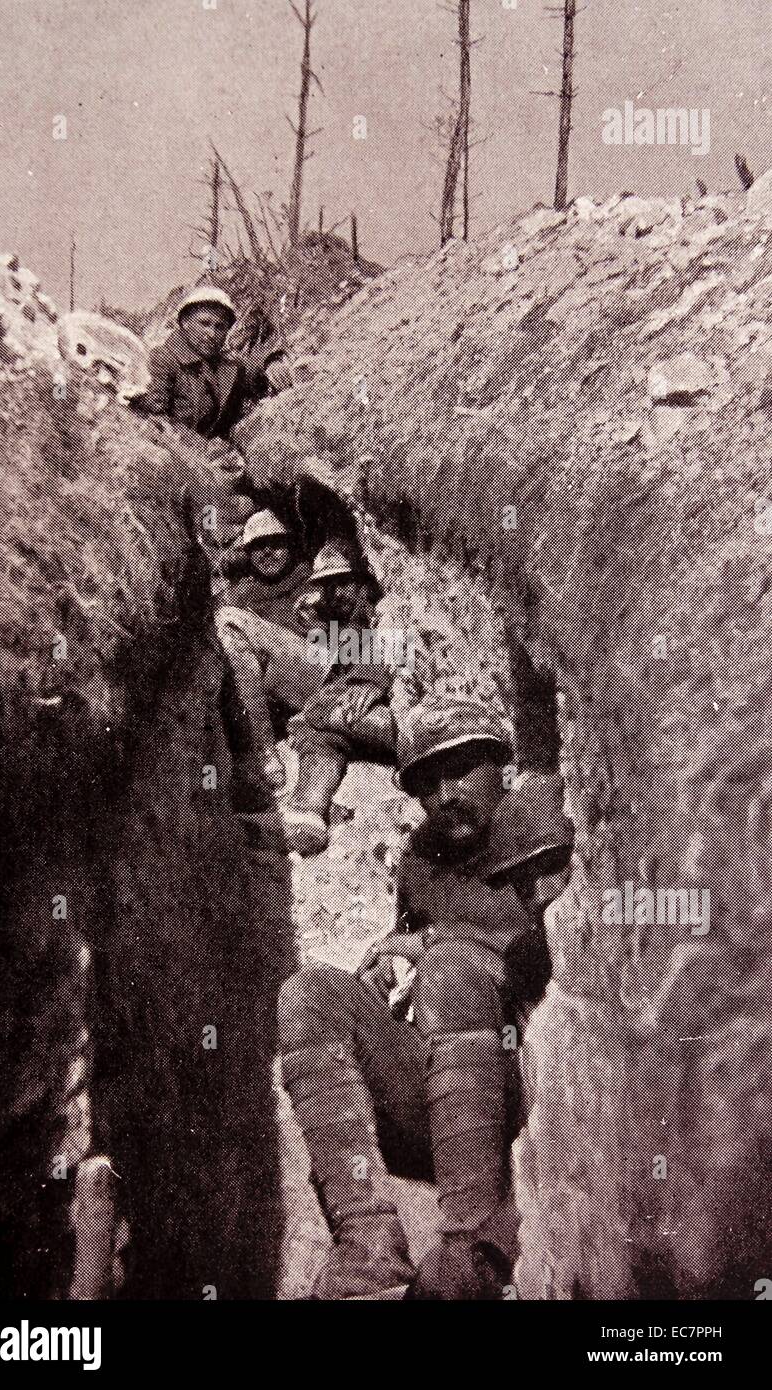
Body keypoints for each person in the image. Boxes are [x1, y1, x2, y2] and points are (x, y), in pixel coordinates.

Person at [277, 670, 574, 1299]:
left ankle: (478, 1248)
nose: (444, 795)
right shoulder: (417, 861)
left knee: (450, 968)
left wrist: (435, 948)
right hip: (431, 1090)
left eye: (461, 770)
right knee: (310, 992)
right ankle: (368, 1247)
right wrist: (387, 962)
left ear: (499, 766)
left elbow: (537, 953)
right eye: (428, 783)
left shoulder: (538, 826)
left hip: (512, 1090)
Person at [281, 543, 398, 856]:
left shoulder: (383, 607)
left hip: (403, 722)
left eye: (343, 582)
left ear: (363, 581)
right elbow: (312, 621)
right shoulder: (341, 622)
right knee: (318, 735)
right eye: (326, 587)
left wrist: (371, 680)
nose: (336, 594)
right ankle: (308, 813)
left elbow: (394, 639)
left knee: (317, 712)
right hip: (356, 719)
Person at [214, 509, 319, 790]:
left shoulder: (312, 577)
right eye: (258, 546)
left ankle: (265, 752)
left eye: (275, 543)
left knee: (228, 620)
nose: (268, 552)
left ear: (290, 545)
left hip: (323, 672)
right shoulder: (243, 593)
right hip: (285, 690)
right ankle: (252, 757)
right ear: (247, 554)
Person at [135, 287, 274, 439]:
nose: (212, 334)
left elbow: (258, 373)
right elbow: (157, 419)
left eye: (220, 327)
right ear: (185, 323)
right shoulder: (162, 359)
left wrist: (273, 364)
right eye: (204, 323)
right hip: (177, 452)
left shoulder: (229, 364)